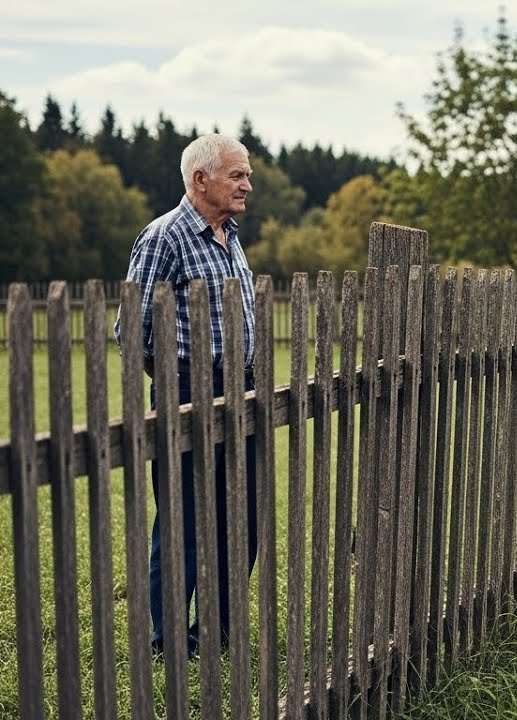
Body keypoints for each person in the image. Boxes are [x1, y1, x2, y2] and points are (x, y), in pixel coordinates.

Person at [114, 133, 259, 658]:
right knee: (184, 523)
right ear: (201, 179)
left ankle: (213, 633)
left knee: (242, 520)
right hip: (186, 391)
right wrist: (176, 380)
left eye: (246, 174)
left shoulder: (230, 233)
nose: (248, 183)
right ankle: (167, 639)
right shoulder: (164, 236)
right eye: (237, 175)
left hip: (242, 390)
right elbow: (131, 328)